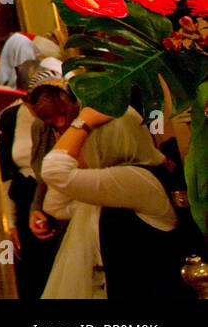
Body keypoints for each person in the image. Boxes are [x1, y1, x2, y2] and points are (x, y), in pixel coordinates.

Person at [40, 106, 193, 299]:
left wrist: (83, 122)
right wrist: (74, 154)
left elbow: (54, 172)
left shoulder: (135, 179)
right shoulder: (113, 187)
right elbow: (55, 206)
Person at [0, 62, 75, 298]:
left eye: (62, 114)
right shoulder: (33, 125)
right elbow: (37, 174)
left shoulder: (81, 121)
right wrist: (32, 213)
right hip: (35, 205)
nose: (59, 123)